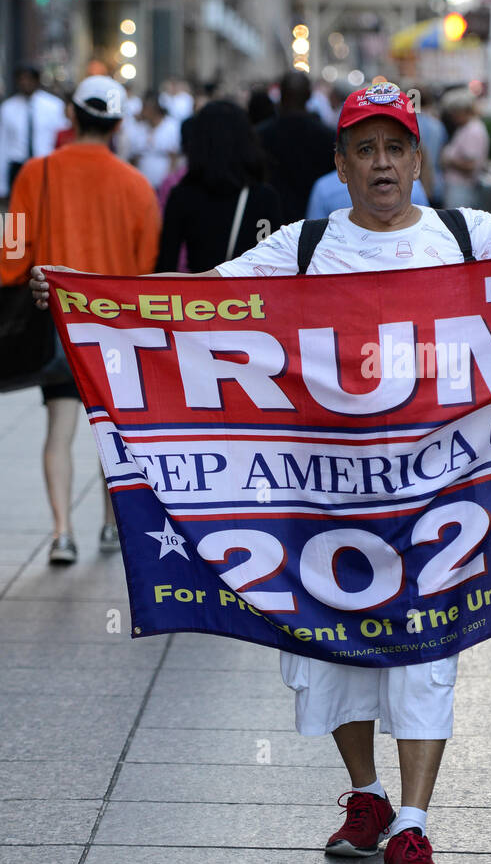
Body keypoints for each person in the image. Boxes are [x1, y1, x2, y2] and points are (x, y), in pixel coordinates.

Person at [30, 79, 491, 864]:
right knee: (335, 655)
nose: (382, 164)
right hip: (327, 504)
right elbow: (197, 302)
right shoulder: (300, 248)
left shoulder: (469, 236)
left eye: (395, 148)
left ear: (418, 159)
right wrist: (82, 296)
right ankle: (366, 797)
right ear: (342, 164)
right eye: (365, 150)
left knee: (427, 657)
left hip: (442, 503)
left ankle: (414, 827)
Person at [5, 76, 161, 564]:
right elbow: (146, 268)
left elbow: (11, 252)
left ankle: (60, 532)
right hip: (113, 327)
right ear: (116, 124)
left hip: (55, 323)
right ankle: (110, 527)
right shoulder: (137, 185)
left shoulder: (35, 172)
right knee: (109, 430)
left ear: (72, 116)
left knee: (60, 427)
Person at [156, 100, 286, 272]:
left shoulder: (182, 196)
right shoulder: (263, 198)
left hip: (199, 297)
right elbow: (273, 262)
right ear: (246, 141)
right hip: (251, 297)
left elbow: (166, 264)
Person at [256, 70, 337, 222]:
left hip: (270, 224)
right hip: (315, 224)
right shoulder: (327, 136)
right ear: (308, 95)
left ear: (281, 95)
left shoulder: (260, 135)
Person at [0, 64, 66, 199]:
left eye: (29, 79)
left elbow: (61, 139)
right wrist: (2, 183)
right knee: (18, 214)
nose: (25, 83)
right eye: (22, 79)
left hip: (45, 165)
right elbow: (3, 143)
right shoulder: (8, 108)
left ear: (37, 81)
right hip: (18, 165)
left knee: (44, 208)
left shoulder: (54, 105)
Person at [440, 87, 490, 208]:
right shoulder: (467, 128)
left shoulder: (473, 130)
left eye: (453, 112)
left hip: (462, 190)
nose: (452, 117)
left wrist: (449, 161)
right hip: (459, 189)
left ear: (461, 111)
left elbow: (471, 165)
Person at [127, 92, 182, 189]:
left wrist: (169, 181)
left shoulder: (171, 126)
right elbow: (133, 158)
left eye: (146, 108)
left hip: (162, 184)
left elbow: (174, 157)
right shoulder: (139, 127)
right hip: (141, 183)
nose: (143, 111)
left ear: (155, 110)